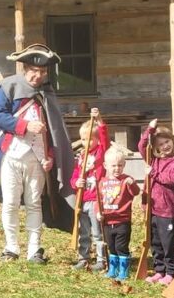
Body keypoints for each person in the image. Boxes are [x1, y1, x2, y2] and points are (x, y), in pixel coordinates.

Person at [0, 43, 75, 264]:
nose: (38, 75)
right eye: (35, 71)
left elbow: (53, 130)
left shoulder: (47, 92)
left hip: (39, 158)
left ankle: (34, 249)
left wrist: (51, 154)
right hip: (11, 155)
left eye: (43, 72)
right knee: (11, 203)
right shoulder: (9, 86)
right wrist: (23, 126)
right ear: (25, 69)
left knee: (34, 203)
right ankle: (11, 247)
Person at [138, 119, 174, 285]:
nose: (165, 146)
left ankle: (171, 271)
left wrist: (153, 174)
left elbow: (172, 180)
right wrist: (150, 129)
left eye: (167, 141)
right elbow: (142, 145)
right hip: (152, 208)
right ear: (156, 148)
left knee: (168, 242)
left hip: (167, 210)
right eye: (160, 144)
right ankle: (159, 270)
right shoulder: (153, 159)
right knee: (155, 242)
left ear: (172, 141)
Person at [71, 107, 110, 271]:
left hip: (95, 200)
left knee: (97, 232)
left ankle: (101, 260)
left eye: (90, 139)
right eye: (83, 139)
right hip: (82, 199)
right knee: (83, 232)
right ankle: (84, 257)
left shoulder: (101, 152)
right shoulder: (80, 157)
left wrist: (99, 120)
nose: (86, 143)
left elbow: (104, 137)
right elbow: (74, 175)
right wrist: (75, 183)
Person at [96, 147, 140, 281]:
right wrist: (98, 212)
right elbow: (98, 200)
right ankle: (113, 269)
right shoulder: (102, 182)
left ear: (124, 165)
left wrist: (132, 184)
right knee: (111, 246)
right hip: (107, 221)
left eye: (120, 165)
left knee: (121, 246)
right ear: (105, 166)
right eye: (113, 165)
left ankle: (124, 270)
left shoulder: (126, 180)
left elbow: (136, 192)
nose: (117, 168)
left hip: (122, 220)